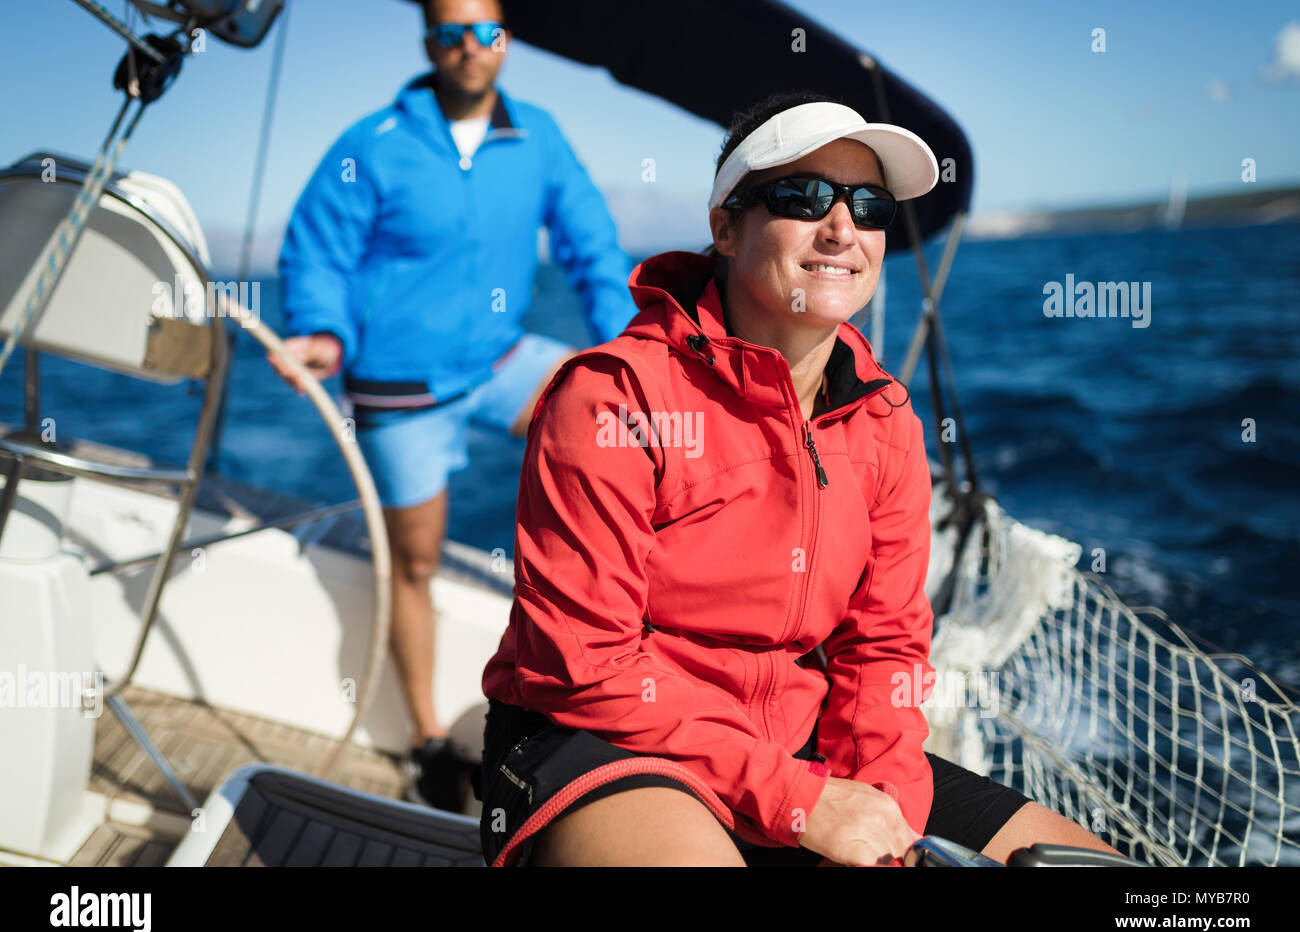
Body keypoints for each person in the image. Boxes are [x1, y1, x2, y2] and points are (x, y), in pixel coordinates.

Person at [474, 91, 1127, 866]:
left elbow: (884, 648)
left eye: (870, 205)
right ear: (724, 226)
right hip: (600, 741)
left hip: (793, 742)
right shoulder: (616, 397)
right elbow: (586, 667)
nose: (843, 228)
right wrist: (799, 803)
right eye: (802, 196)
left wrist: (879, 805)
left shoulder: (885, 422)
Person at [270, 0, 636, 811]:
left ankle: (611, 675)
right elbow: (317, 250)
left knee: (622, 424)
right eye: (450, 31)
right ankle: (430, 744)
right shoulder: (375, 143)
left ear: (505, 39)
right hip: (399, 386)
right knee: (418, 561)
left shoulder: (536, 135)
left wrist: (632, 348)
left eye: (485, 29)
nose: (469, 46)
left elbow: (593, 247)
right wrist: (322, 336)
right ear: (428, 39)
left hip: (500, 359)